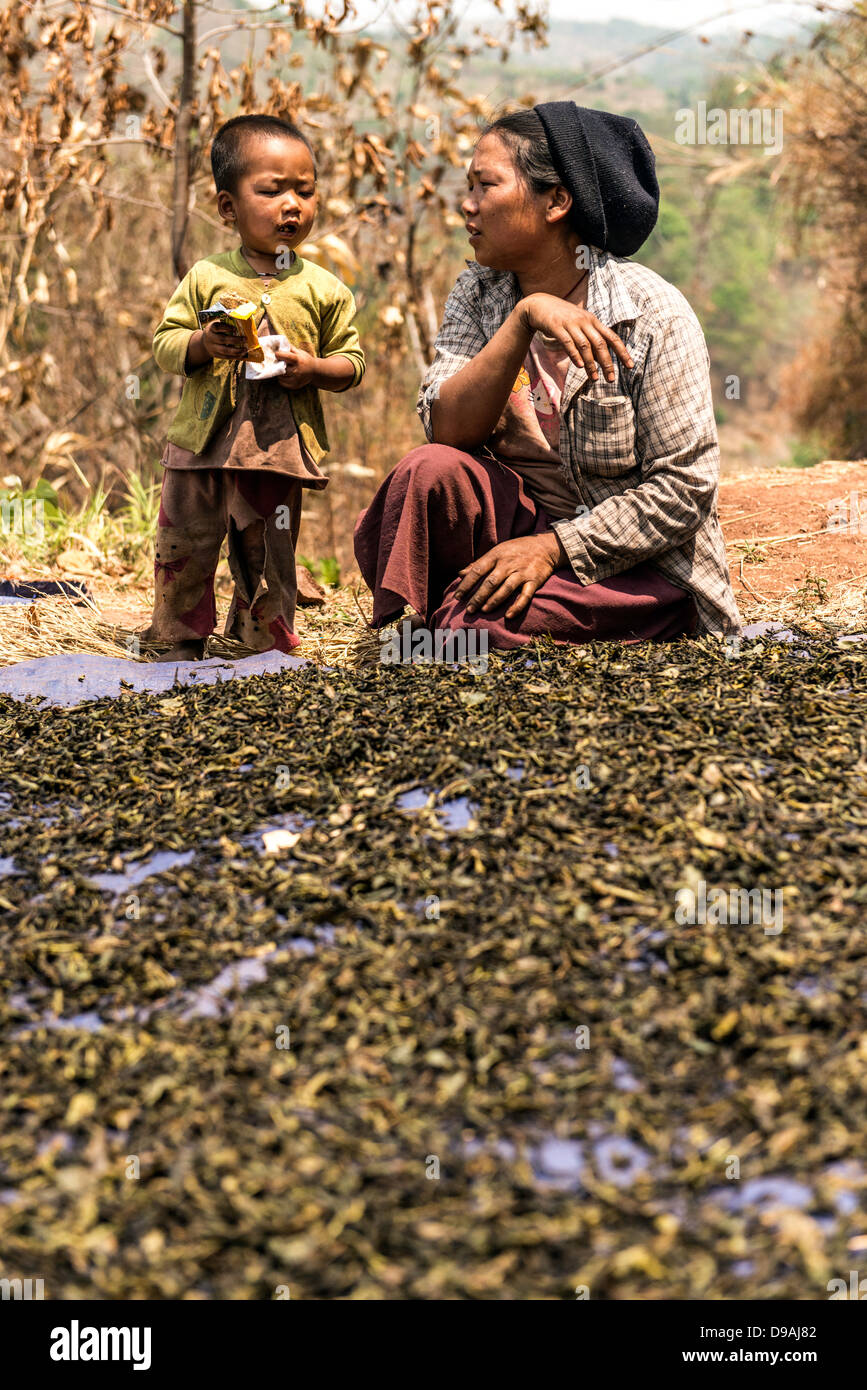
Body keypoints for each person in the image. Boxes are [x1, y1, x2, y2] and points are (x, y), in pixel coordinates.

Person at [354, 102, 741, 648]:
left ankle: (459, 620)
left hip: (633, 568)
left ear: (557, 201)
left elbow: (684, 490)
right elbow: (448, 430)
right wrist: (523, 319)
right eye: (468, 187)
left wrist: (553, 548)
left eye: (485, 186)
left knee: (474, 634)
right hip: (524, 531)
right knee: (427, 470)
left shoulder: (652, 315)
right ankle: (445, 613)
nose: (467, 206)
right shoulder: (480, 293)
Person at [145, 114, 366, 662]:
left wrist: (311, 369)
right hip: (200, 446)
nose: (292, 204)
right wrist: (201, 344)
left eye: (305, 191)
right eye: (271, 190)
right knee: (185, 545)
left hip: (276, 450)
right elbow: (164, 343)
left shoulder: (325, 288)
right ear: (228, 207)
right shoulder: (206, 276)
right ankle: (178, 640)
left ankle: (261, 647)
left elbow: (352, 363)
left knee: (268, 552)